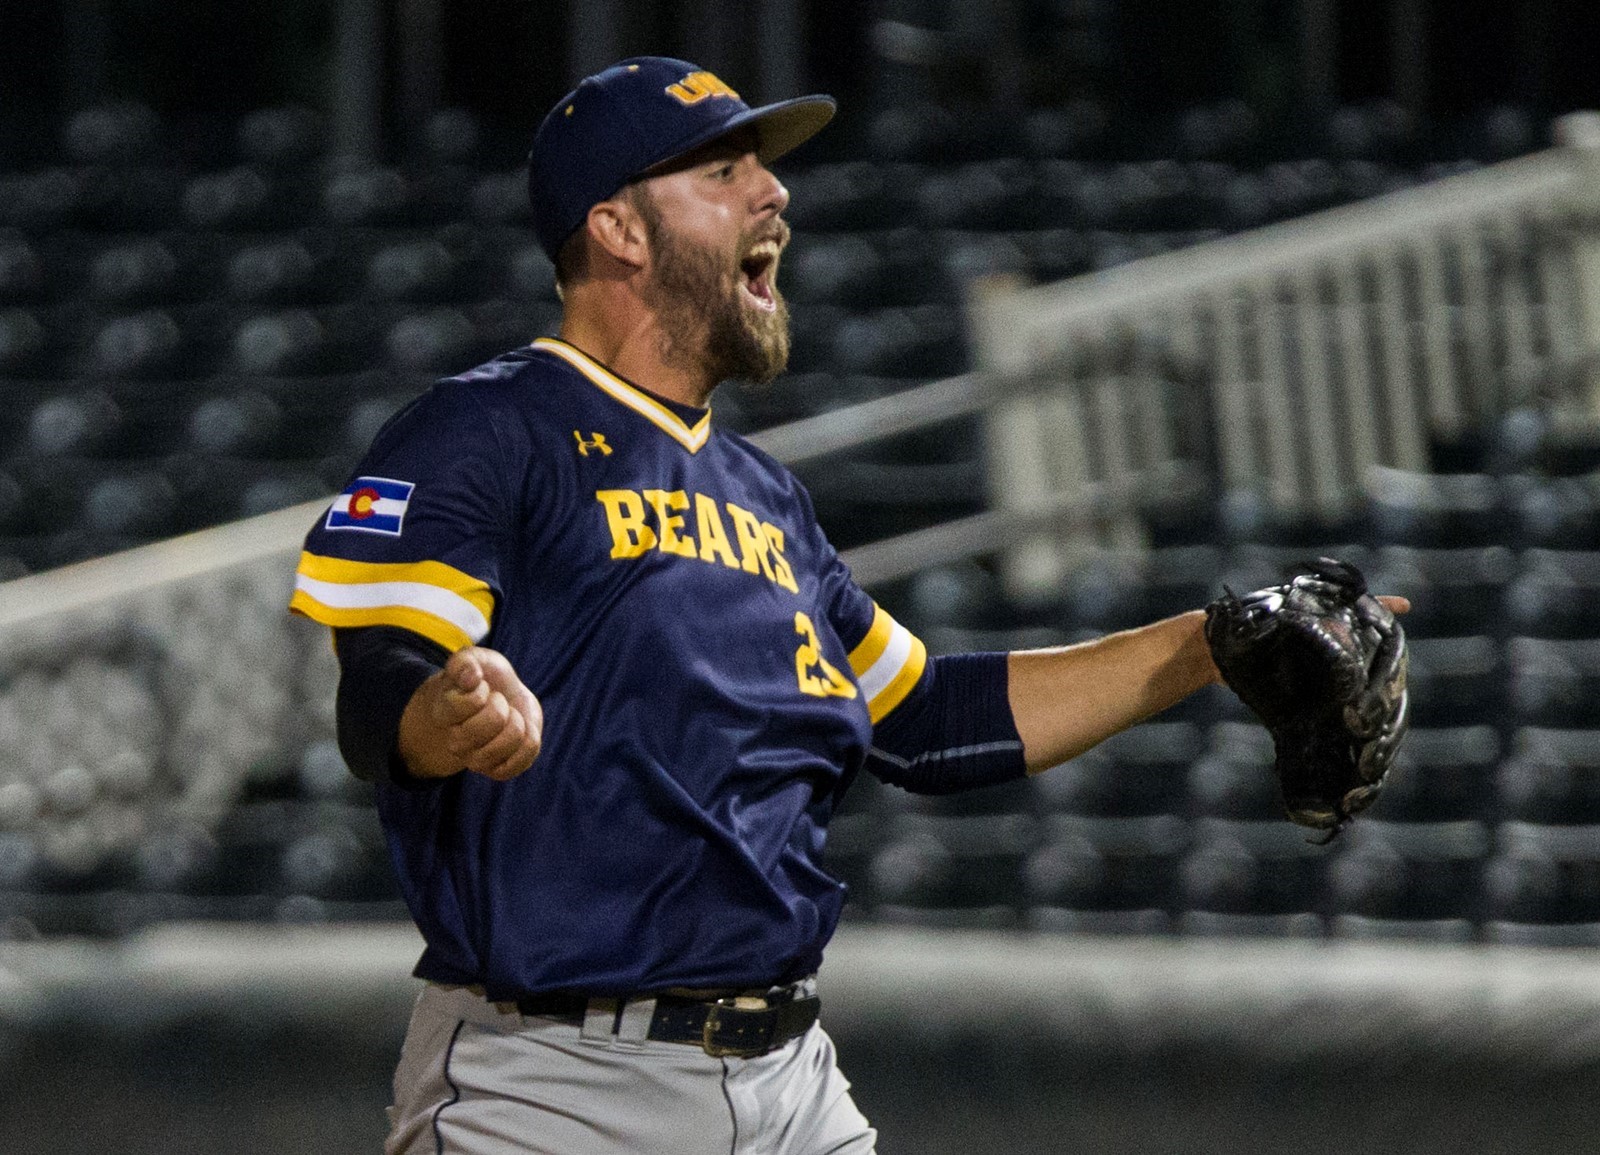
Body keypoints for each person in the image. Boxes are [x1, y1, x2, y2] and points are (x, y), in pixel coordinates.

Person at [288, 56, 1382, 1155]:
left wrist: (1209, 645)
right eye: (723, 172)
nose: (775, 193)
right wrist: (441, 715)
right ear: (618, 231)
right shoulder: (488, 429)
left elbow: (924, 721)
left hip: (791, 1085)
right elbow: (377, 685)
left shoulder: (768, 500)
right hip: (557, 1085)